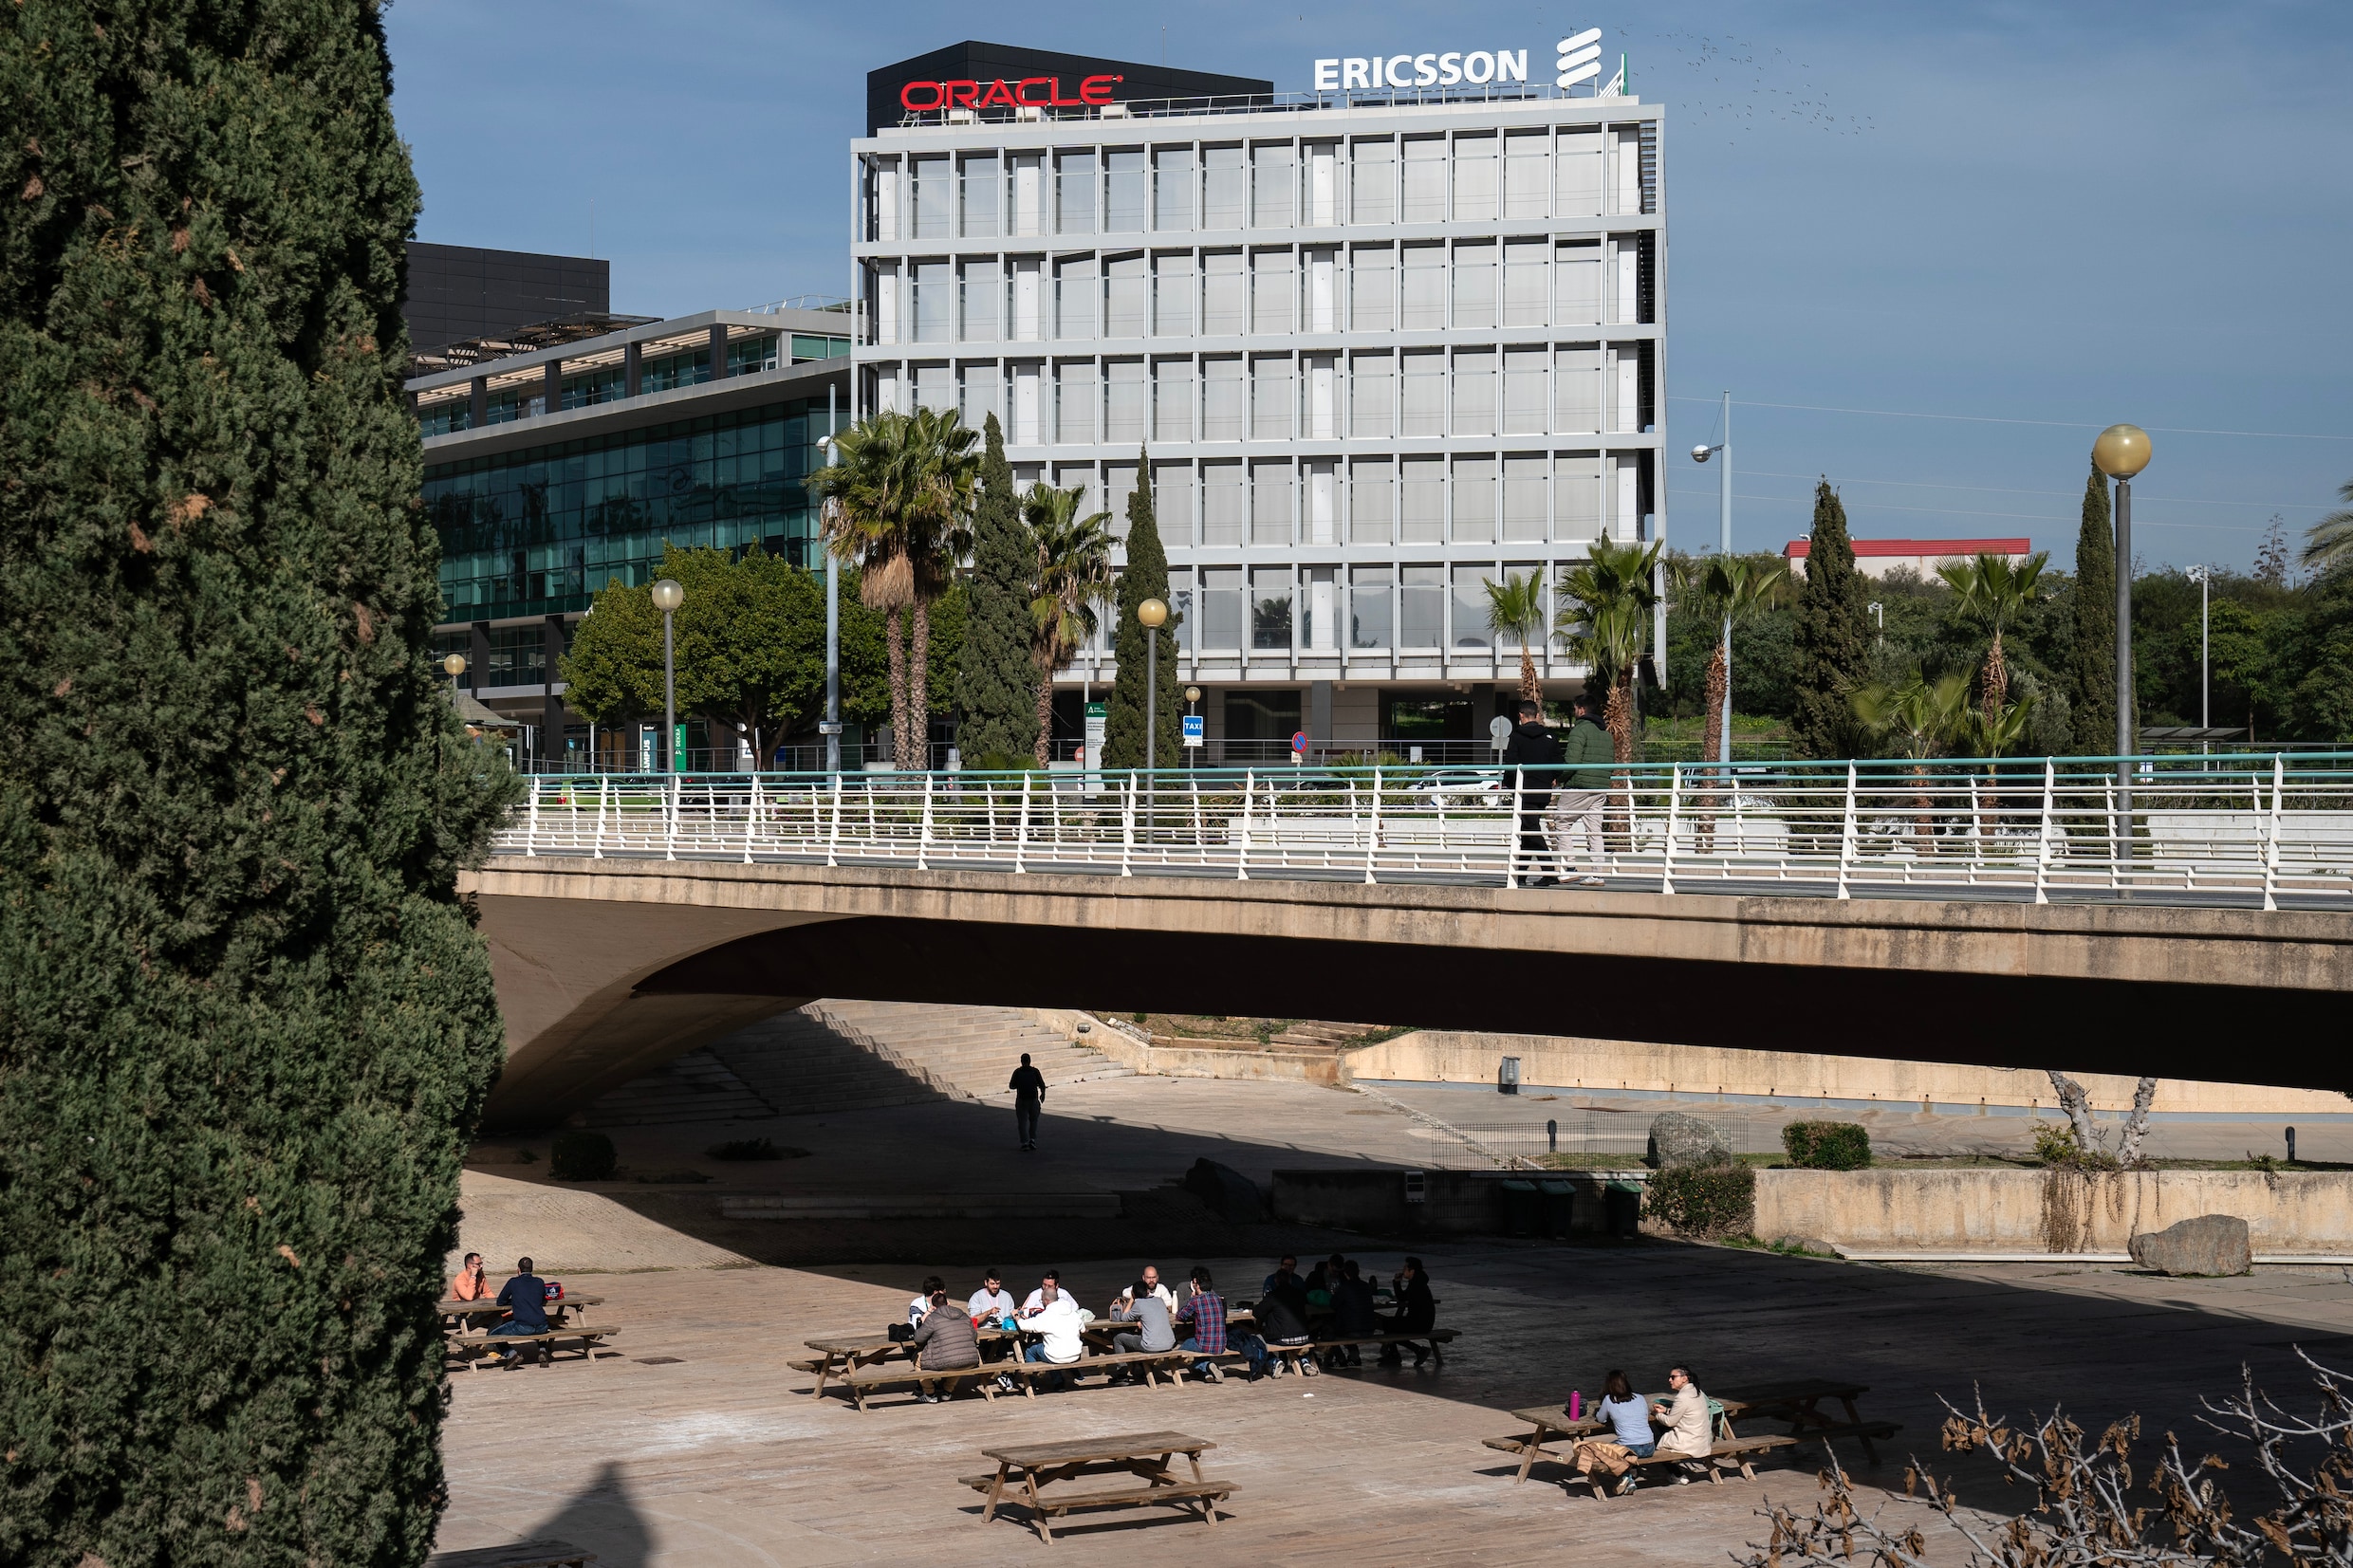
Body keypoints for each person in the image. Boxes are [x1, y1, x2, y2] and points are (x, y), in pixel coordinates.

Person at [1501, 697, 1568, 886]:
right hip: (1543, 791)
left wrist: (1508, 784)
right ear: (1537, 716)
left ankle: (1549, 873)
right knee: (1527, 830)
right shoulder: (1549, 737)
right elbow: (1558, 764)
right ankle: (1520, 875)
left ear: (1521, 715)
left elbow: (1511, 764)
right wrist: (1553, 777)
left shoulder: (1516, 737)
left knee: (1531, 830)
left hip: (1524, 791)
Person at [1552, 688, 1613, 887]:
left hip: (1579, 785)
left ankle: (1569, 868)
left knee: (1561, 821)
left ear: (1581, 710)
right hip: (1600, 786)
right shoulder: (1605, 733)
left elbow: (1571, 761)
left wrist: (1558, 778)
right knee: (1595, 830)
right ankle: (1597, 874)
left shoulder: (1580, 730)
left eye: (1575, 708)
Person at [1573, 1369, 1660, 1494]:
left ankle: (1627, 1477)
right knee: (1617, 1444)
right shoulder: (1640, 1398)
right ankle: (1631, 1472)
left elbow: (1600, 1418)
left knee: (1603, 1451)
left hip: (1629, 1448)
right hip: (1649, 1446)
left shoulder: (1609, 1400)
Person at [1240, 1268, 1314, 1380]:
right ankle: (1305, 1361)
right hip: (1304, 1337)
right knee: (1297, 1338)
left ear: (1276, 1281)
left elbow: (1257, 1312)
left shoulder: (1273, 1296)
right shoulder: (1300, 1294)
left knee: (1258, 1341)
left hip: (1282, 1338)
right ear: (1290, 1280)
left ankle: (1274, 1361)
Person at [908, 1287, 980, 1401]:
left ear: (934, 1307)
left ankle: (930, 1394)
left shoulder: (932, 1318)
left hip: (948, 1361)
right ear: (947, 1303)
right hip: (970, 1360)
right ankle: (947, 1391)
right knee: (958, 1357)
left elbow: (918, 1339)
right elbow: (974, 1336)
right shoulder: (963, 1315)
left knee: (917, 1360)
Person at [1107, 1278, 1176, 1382]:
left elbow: (1124, 1317)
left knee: (1118, 1337)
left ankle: (1122, 1374)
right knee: (1140, 1337)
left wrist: (1131, 1300)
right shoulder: (1159, 1300)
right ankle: (1141, 1369)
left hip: (1151, 1345)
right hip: (1169, 1343)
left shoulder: (1139, 1304)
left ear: (1133, 1294)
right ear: (1148, 1291)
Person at [1652, 1363, 1714, 1480]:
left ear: (1684, 1378)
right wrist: (1666, 1410)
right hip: (1701, 1440)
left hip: (1689, 1442)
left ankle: (1676, 1474)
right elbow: (1686, 1412)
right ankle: (1676, 1474)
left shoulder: (1682, 1396)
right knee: (1661, 1432)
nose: (1670, 1380)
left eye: (1673, 1377)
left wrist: (1657, 1414)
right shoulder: (1696, 1392)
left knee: (1653, 1437)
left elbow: (1670, 1422)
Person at [488, 1256, 550, 1368]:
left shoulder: (513, 1282)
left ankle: (512, 1355)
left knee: (494, 1334)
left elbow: (500, 1301)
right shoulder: (540, 1282)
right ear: (532, 1269)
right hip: (543, 1325)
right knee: (539, 1326)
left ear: (518, 1270)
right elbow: (541, 1299)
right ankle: (542, 1350)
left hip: (523, 1325)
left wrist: (515, 1300)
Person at [1021, 1284, 1085, 1391]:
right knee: (1050, 1347)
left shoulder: (1046, 1315)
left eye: (1042, 1300)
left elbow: (1025, 1326)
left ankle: (1032, 1384)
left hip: (1055, 1355)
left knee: (1030, 1350)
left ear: (1046, 1301)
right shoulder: (1072, 1313)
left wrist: (1017, 1317)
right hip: (1075, 1354)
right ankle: (1058, 1383)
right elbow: (1083, 1329)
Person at [1377, 1258, 1436, 1367]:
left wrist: (1396, 1283)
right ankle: (1411, 1351)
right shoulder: (1418, 1281)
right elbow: (1403, 1297)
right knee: (1390, 1325)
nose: (1403, 1270)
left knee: (1388, 1324)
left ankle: (1404, 1353)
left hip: (1420, 1323)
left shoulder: (1416, 1284)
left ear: (1412, 1271)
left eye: (1405, 1268)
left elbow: (1402, 1298)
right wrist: (1397, 1283)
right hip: (1422, 1321)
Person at [1172, 1265, 1227, 1384]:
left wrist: (1191, 1300)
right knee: (1200, 1345)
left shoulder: (1196, 1300)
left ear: (1197, 1285)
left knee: (1180, 1351)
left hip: (1203, 1344)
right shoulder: (1218, 1299)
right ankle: (1207, 1372)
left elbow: (1180, 1316)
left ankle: (1206, 1366)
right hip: (1221, 1344)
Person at [1323, 1259, 1379, 1369]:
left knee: (1328, 1330)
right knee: (1349, 1323)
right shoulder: (1366, 1286)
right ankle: (1354, 1357)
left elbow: (1333, 1304)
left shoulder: (1345, 1288)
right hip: (1370, 1329)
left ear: (1345, 1273)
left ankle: (1340, 1358)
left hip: (1353, 1331)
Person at [1009, 1052, 1047, 1150]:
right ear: (1030, 1061)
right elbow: (1042, 1084)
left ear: (1021, 1061)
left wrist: (1020, 1084)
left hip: (1021, 1099)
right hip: (1033, 1099)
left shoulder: (1017, 1072)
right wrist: (1043, 1094)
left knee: (1022, 1122)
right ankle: (1032, 1140)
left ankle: (1024, 1142)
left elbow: (1011, 1086)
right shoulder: (1035, 1071)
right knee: (1033, 1121)